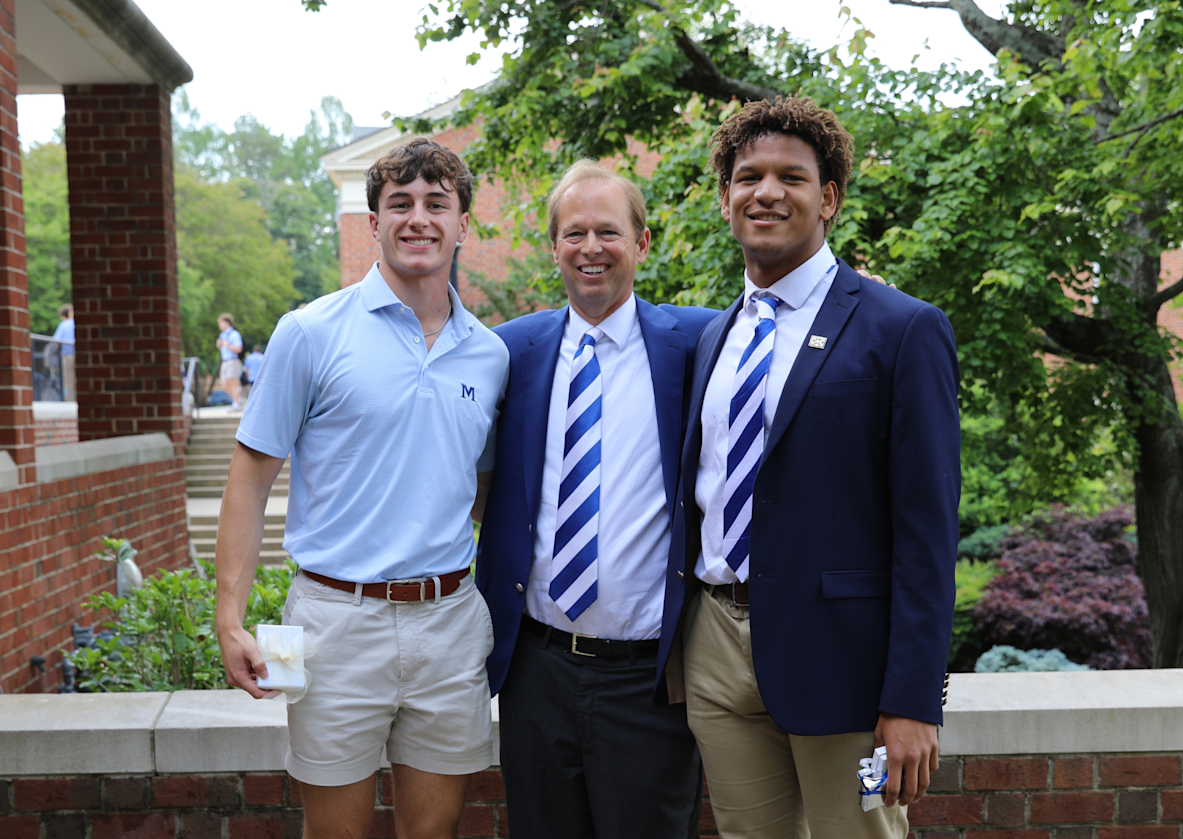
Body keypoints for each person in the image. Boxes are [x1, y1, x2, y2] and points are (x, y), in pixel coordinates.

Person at [656, 96, 960, 839]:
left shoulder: (902, 328)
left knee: (864, 833)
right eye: (747, 176)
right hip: (716, 654)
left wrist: (915, 697)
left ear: (827, 199)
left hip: (847, 672)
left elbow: (927, 529)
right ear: (726, 197)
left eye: (790, 177)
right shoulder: (715, 336)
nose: (765, 192)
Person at [215, 138, 508, 839]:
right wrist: (230, 618)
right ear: (373, 221)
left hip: (448, 620)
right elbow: (250, 479)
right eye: (398, 203)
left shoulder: (490, 355)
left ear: (464, 223)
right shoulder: (310, 333)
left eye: (438, 203)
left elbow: (486, 495)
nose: (418, 218)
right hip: (334, 620)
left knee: (432, 832)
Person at [476, 161, 718, 839]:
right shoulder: (510, 350)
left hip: (648, 678)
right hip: (536, 670)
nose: (590, 247)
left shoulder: (697, 343)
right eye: (574, 232)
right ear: (553, 246)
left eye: (608, 231)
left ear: (642, 243)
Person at [215, 314, 244, 409]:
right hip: (225, 361)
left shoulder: (234, 334)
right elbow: (222, 350)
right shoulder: (222, 335)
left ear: (227, 323)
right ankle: (238, 398)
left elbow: (238, 349)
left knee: (233, 383)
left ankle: (236, 404)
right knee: (224, 384)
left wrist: (227, 345)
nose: (220, 326)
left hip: (233, 361)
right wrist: (219, 345)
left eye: (221, 323)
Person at [52, 304, 76, 400]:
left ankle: (70, 401)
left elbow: (56, 340)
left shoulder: (64, 324)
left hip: (67, 355)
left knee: (68, 380)